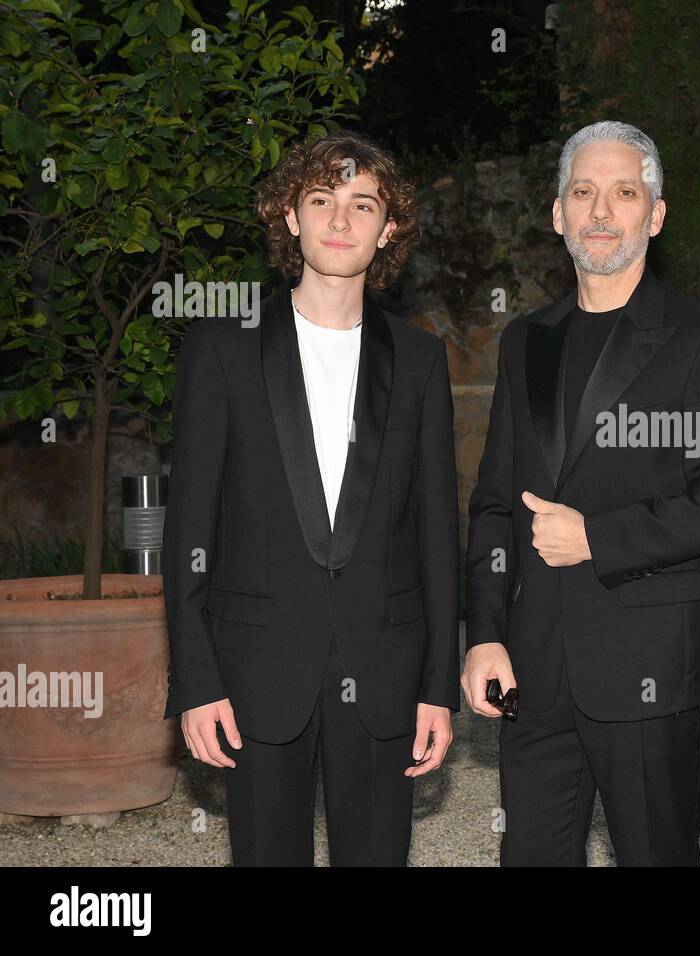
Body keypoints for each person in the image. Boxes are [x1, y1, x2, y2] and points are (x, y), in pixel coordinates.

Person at [463, 120, 700, 865]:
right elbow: (496, 502)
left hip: (653, 669)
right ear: (558, 213)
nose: (601, 211)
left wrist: (599, 538)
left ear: (654, 215)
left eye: (623, 192)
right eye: (583, 192)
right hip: (533, 674)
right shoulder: (526, 340)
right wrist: (486, 633)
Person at [162, 130, 459, 865]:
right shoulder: (224, 345)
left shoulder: (420, 361)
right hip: (256, 668)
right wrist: (197, 682)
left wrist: (438, 688)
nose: (339, 219)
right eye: (321, 199)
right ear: (289, 215)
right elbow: (189, 527)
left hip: (386, 666)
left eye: (363, 205)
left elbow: (435, 534)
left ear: (388, 229)